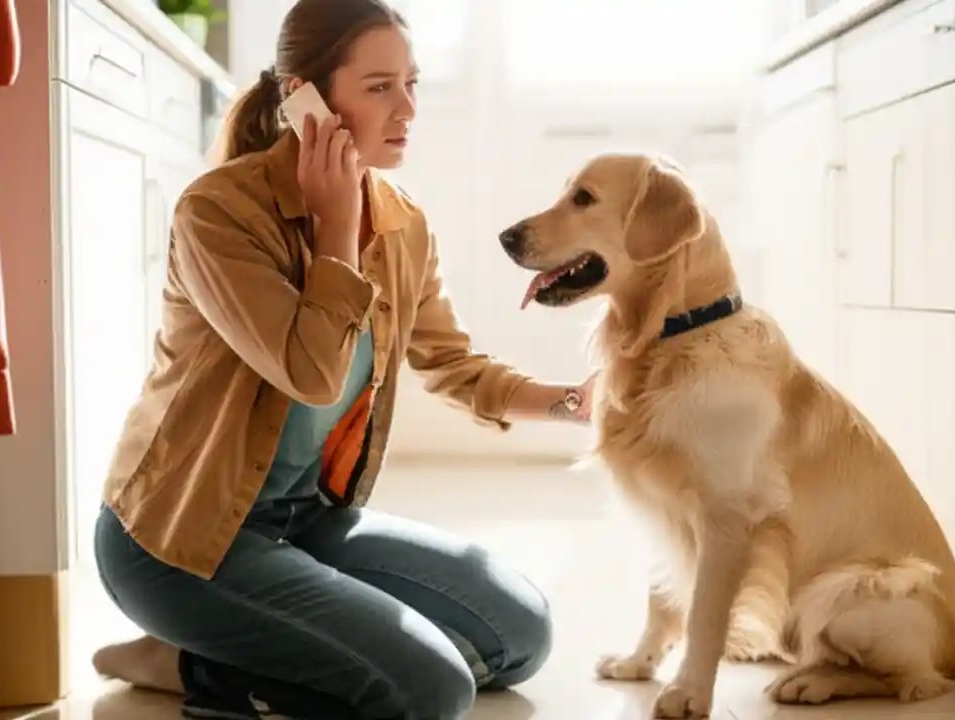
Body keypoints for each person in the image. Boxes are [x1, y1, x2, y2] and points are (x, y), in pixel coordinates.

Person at [89, 2, 593, 718]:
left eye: (411, 83)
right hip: (180, 542)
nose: (407, 109)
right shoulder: (219, 213)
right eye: (380, 87)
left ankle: (240, 647)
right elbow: (313, 374)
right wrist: (335, 228)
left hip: (303, 523)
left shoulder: (401, 222)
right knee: (434, 690)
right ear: (306, 100)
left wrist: (577, 403)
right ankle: (193, 663)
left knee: (521, 635)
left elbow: (452, 362)